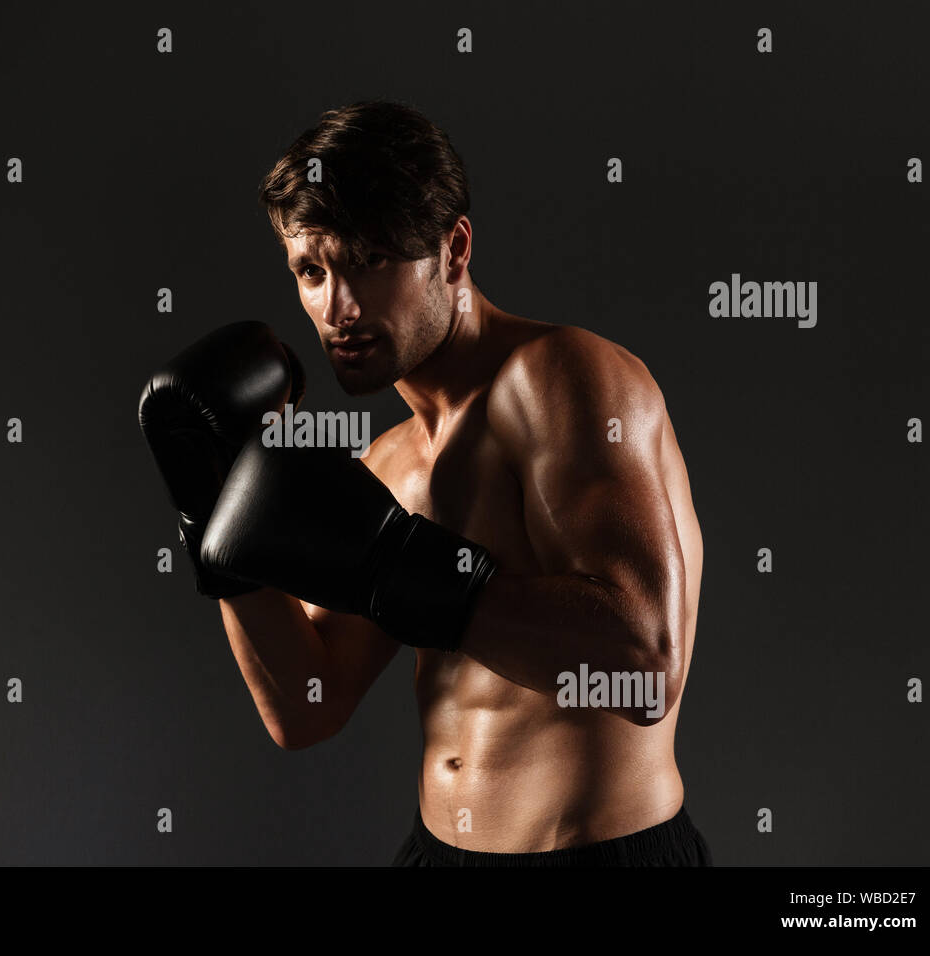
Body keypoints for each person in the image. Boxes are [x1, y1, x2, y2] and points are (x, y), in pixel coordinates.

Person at [140, 101, 711, 866]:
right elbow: (308, 708)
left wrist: (392, 566)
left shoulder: (561, 380)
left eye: (370, 261)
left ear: (455, 248)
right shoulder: (389, 465)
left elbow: (645, 667)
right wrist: (212, 525)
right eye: (312, 271)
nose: (337, 309)